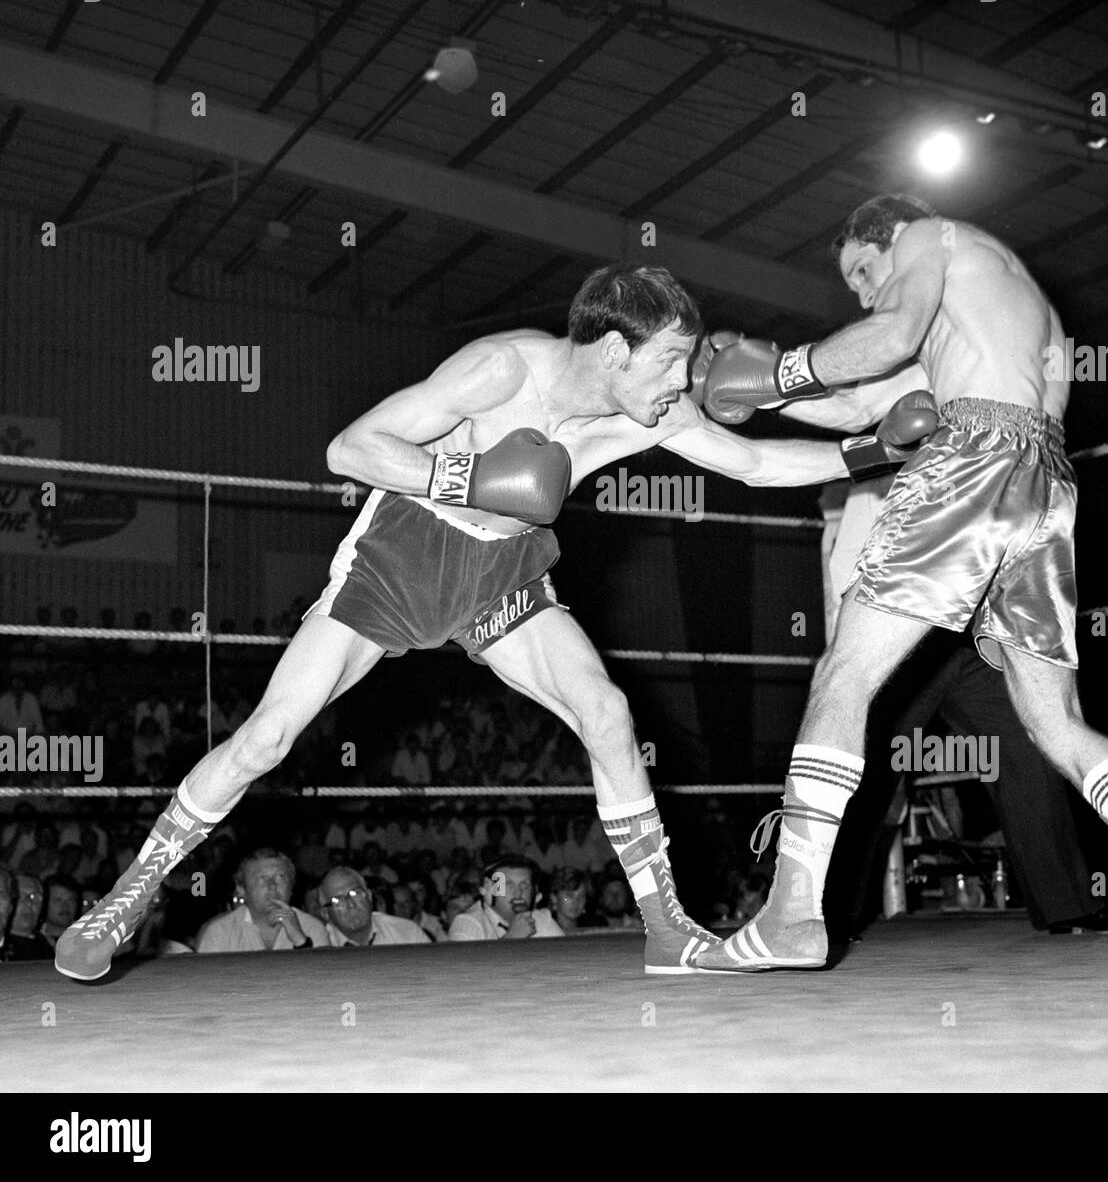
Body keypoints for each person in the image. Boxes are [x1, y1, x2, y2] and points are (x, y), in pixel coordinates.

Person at [58, 263, 864, 982]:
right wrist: (479, 478)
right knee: (268, 738)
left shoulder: (651, 414)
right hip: (403, 555)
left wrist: (867, 457)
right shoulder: (501, 368)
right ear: (614, 351)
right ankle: (126, 896)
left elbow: (756, 463)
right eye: (668, 361)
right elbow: (352, 449)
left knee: (608, 712)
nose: (682, 380)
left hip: (504, 578)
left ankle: (666, 930)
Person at [697, 194, 1108, 969]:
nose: (862, 290)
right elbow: (862, 399)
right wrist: (768, 393)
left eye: (863, 267)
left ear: (887, 233)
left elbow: (884, 336)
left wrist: (779, 369)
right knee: (1053, 720)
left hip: (972, 455)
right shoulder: (1005, 298)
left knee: (844, 675)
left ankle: (790, 916)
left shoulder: (931, 235)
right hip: (1047, 480)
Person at [817, 478, 1108, 938]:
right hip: (897, 630)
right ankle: (825, 915)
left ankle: (1069, 905)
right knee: (868, 770)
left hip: (970, 636)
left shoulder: (987, 449)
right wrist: (854, 644)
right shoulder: (896, 441)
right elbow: (851, 551)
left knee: (1026, 748)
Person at [194, 848, 327, 953]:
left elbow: (323, 983)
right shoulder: (221, 932)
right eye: (261, 879)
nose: (272, 886)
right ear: (241, 889)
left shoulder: (311, 928)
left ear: (292, 886)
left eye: (280, 878)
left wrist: (301, 942)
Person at [447, 854, 563, 941]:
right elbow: (466, 972)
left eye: (525, 884)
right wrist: (511, 939)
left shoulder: (541, 919)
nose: (518, 892)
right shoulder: (467, 924)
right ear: (489, 891)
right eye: (508, 884)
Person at [317, 866, 430, 948]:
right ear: (325, 913)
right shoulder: (319, 944)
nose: (351, 904)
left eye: (355, 893)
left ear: (370, 897)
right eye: (338, 900)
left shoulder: (407, 933)